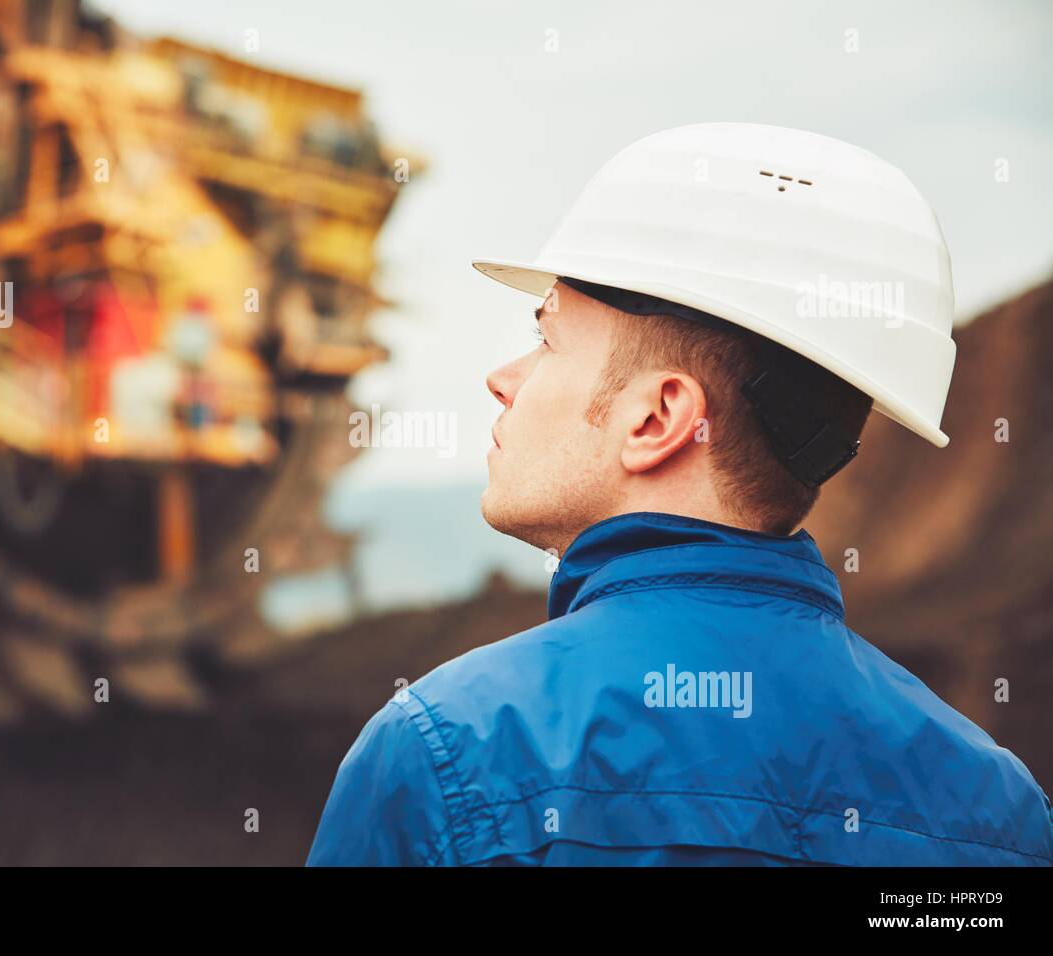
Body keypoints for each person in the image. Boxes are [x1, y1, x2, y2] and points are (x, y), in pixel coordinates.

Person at [305, 123, 1053, 866]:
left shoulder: (446, 754)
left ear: (659, 418)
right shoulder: (1003, 810)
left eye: (547, 339)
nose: (502, 378)